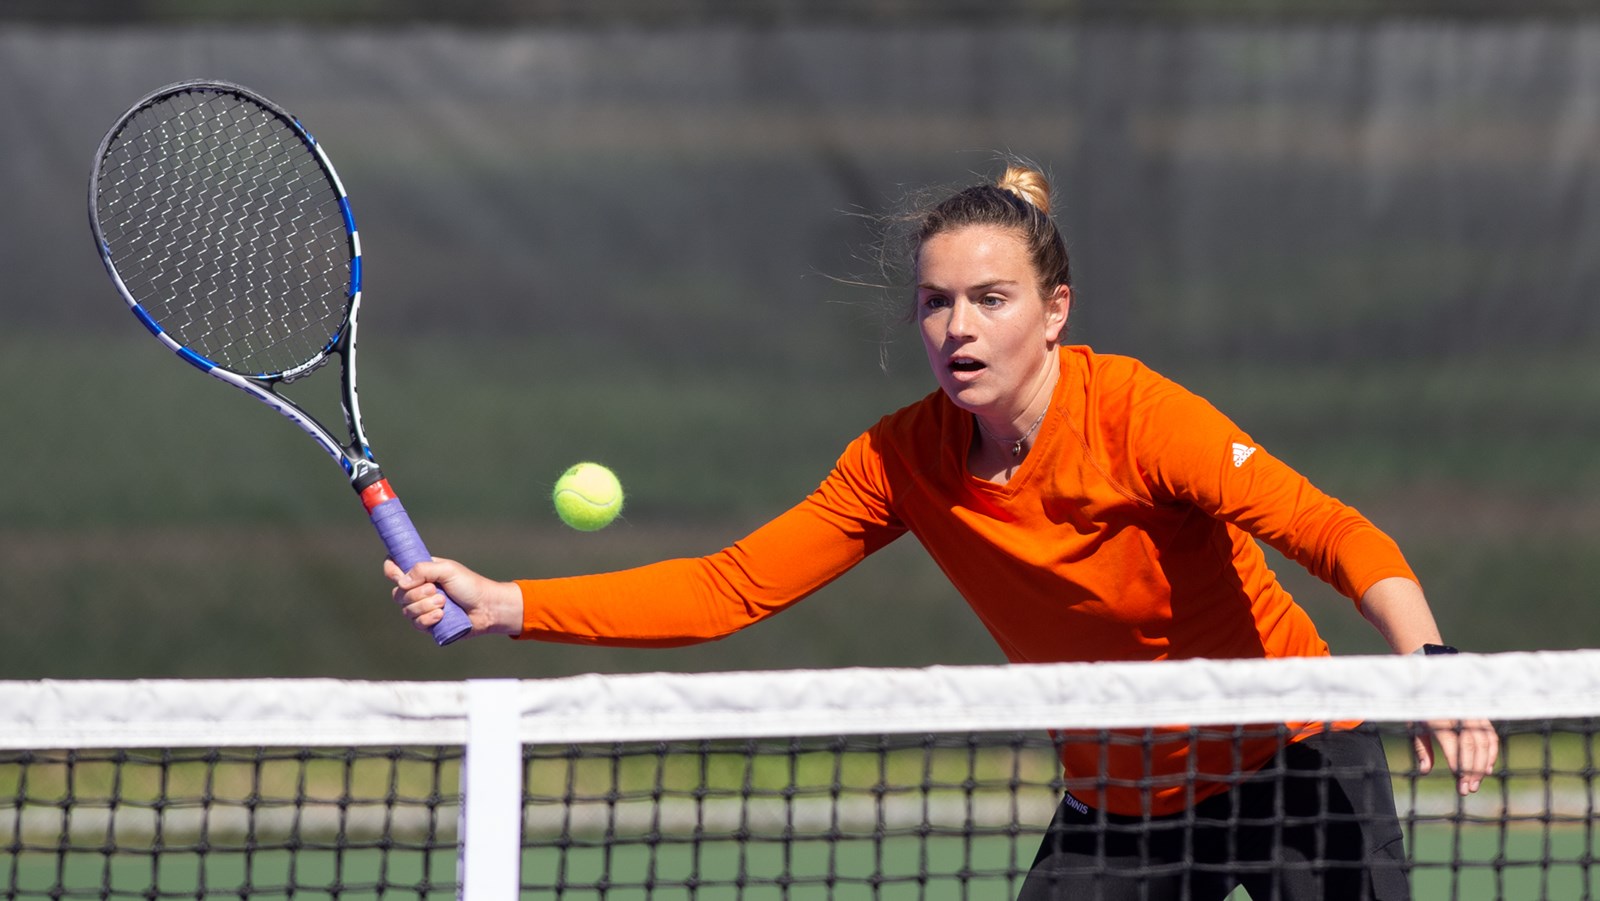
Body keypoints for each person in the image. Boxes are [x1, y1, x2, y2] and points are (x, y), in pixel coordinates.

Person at [386, 163, 1498, 899]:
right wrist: (508, 604)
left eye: (990, 298)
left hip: (1289, 755)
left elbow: (1326, 527)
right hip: (1118, 795)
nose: (956, 326)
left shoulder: (1140, 416)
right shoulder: (901, 460)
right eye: (934, 302)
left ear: (1053, 309)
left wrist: (1429, 665)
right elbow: (732, 587)